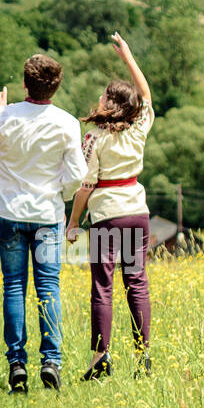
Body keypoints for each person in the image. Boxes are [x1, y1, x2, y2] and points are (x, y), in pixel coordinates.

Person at [0, 54, 86, 394]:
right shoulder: (67, 122)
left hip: (9, 213)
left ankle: (17, 363)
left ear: (25, 84)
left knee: (14, 287)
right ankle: (51, 361)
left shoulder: (5, 115)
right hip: (48, 215)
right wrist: (60, 194)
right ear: (56, 86)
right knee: (49, 287)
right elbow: (78, 174)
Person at [66, 33, 156, 381]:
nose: (99, 98)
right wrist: (129, 58)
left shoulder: (94, 139)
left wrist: (73, 223)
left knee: (103, 286)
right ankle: (143, 355)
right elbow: (146, 95)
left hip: (107, 219)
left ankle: (101, 357)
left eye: (103, 95)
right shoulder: (138, 129)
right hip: (138, 214)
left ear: (111, 102)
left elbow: (85, 188)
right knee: (137, 283)